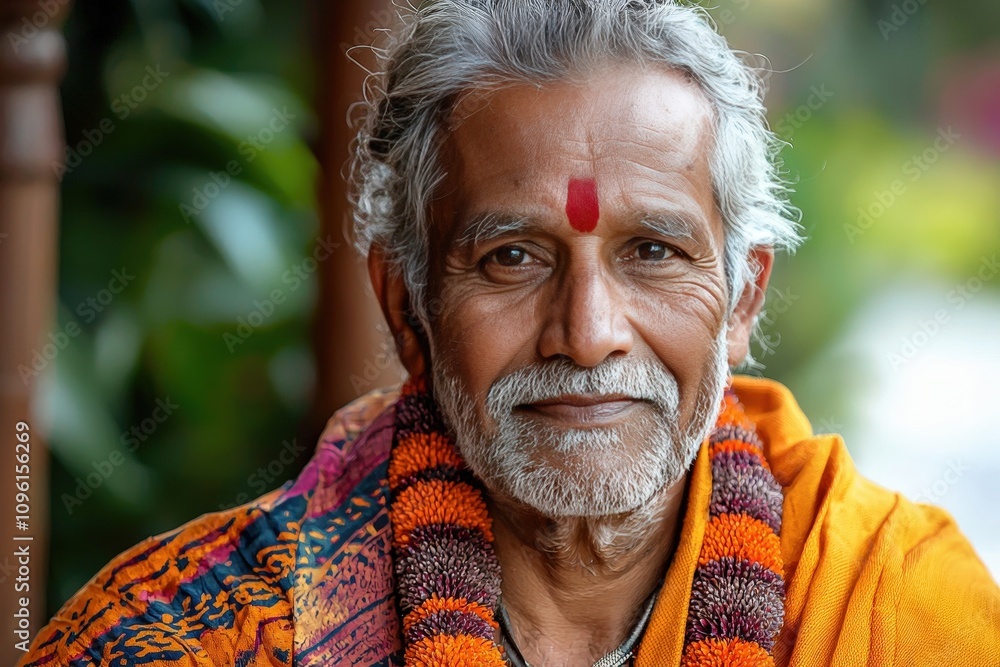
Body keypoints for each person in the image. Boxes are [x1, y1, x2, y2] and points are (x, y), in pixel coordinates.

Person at [19, 1, 999, 666]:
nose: (587, 335)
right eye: (511, 259)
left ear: (741, 302)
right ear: (404, 305)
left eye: (652, 252)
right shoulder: (198, 637)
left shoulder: (901, 609)